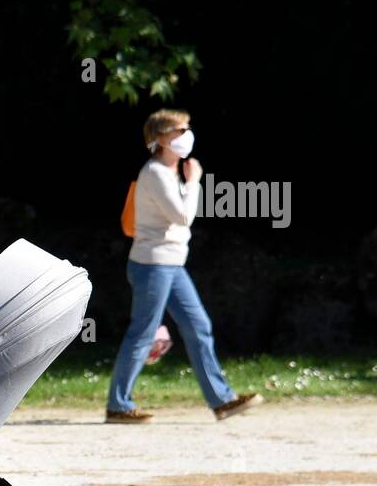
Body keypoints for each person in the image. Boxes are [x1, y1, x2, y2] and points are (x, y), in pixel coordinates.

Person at [105, 109, 262, 423]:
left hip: (171, 265)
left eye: (187, 128)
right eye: (179, 130)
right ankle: (118, 406)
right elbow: (183, 216)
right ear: (160, 138)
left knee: (198, 326)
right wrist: (194, 182)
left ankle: (222, 400)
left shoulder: (168, 173)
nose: (186, 135)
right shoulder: (155, 173)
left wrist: (188, 181)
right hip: (153, 265)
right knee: (143, 332)